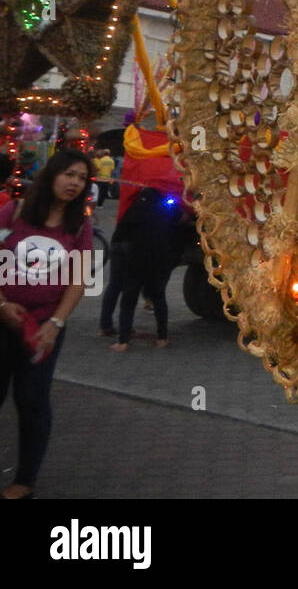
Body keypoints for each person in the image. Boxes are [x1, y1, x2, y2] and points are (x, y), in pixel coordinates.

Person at [0, 149, 94, 499]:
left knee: (32, 398)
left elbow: (79, 279)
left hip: (44, 326)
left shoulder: (81, 225)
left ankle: (24, 479)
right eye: (69, 174)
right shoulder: (16, 210)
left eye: (82, 178)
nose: (74, 183)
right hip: (3, 317)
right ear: (53, 174)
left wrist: (56, 322)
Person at [109, 188, 182, 351]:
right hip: (158, 261)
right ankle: (162, 338)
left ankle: (123, 341)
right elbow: (179, 221)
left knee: (128, 301)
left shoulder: (136, 208)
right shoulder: (167, 208)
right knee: (159, 299)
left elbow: (122, 232)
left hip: (136, 260)